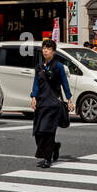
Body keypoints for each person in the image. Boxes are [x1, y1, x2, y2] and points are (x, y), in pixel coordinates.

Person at [31, 38, 74, 167]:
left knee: (48, 131)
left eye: (48, 49)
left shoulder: (58, 66)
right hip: (41, 103)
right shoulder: (39, 67)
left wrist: (69, 100)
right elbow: (36, 84)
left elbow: (65, 84)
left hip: (54, 103)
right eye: (44, 48)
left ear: (53, 52)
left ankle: (47, 159)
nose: (45, 50)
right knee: (38, 132)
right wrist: (33, 97)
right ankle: (54, 147)